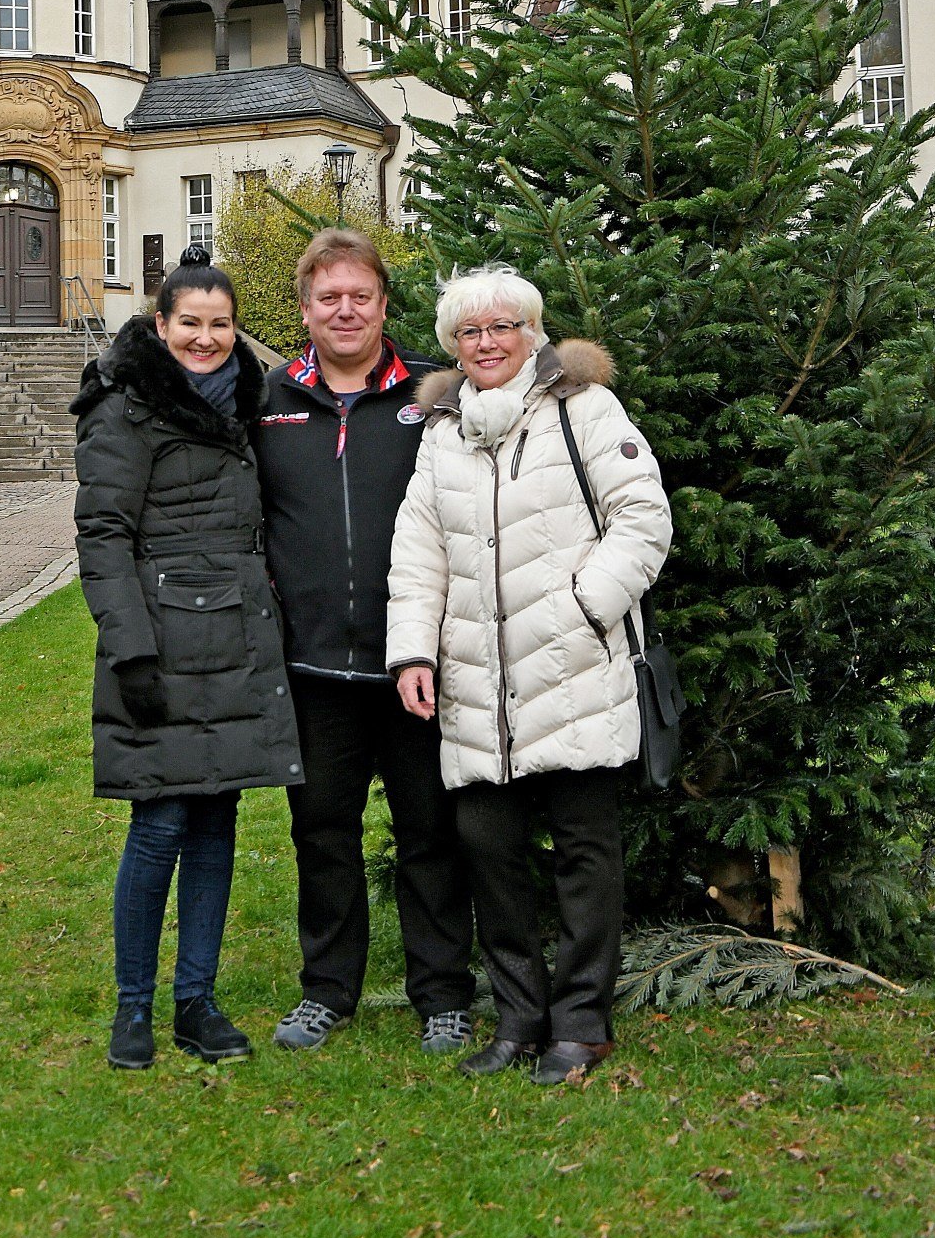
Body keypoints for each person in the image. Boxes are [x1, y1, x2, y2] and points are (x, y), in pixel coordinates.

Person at [386, 266, 672, 1085]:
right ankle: (516, 1018)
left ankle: (580, 1021)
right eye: (469, 332)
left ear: (530, 332)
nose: (486, 343)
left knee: (585, 851)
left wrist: (586, 608)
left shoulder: (583, 408)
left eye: (501, 327)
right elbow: (418, 554)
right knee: (489, 851)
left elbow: (643, 518)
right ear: (452, 344)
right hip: (474, 685)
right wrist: (410, 650)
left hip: (574, 667)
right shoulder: (441, 431)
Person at [72, 245, 303, 1071]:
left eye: (220, 325)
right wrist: (129, 647)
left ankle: (196, 1003)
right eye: (189, 325)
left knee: (215, 825)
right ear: (160, 325)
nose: (205, 339)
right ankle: (132, 1008)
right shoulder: (125, 407)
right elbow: (103, 533)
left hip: (236, 639)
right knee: (159, 823)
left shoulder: (250, 401)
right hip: (164, 644)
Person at [253, 228, 476, 1054]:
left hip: (415, 663)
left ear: (384, 303)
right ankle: (327, 991)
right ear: (304, 308)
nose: (344, 311)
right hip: (309, 664)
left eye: (360, 296)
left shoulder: (435, 394)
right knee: (322, 835)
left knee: (431, 834)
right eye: (326, 298)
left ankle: (443, 994)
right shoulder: (266, 399)